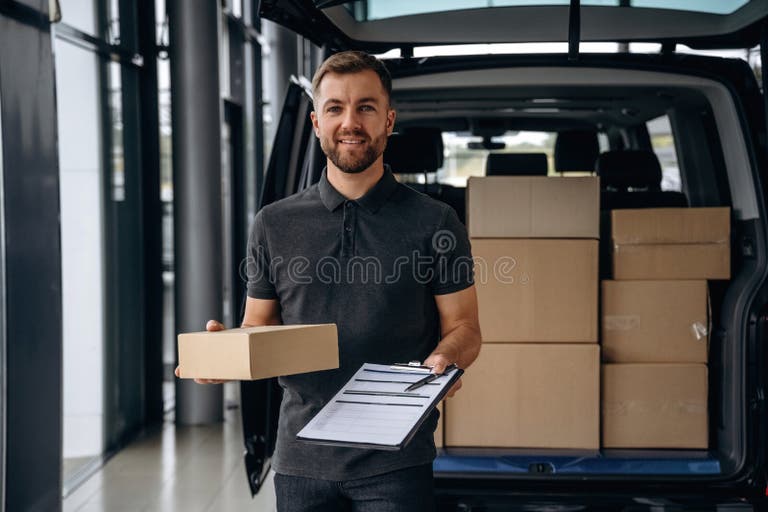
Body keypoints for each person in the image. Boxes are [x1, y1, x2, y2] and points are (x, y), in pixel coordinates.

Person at [180, 50, 481, 511]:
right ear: (317, 122)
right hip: (301, 460)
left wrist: (445, 357)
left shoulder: (436, 221)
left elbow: (465, 328)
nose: (350, 122)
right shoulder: (273, 223)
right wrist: (227, 353)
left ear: (388, 120)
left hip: (396, 461)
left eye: (365, 107)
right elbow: (259, 325)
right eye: (335, 108)